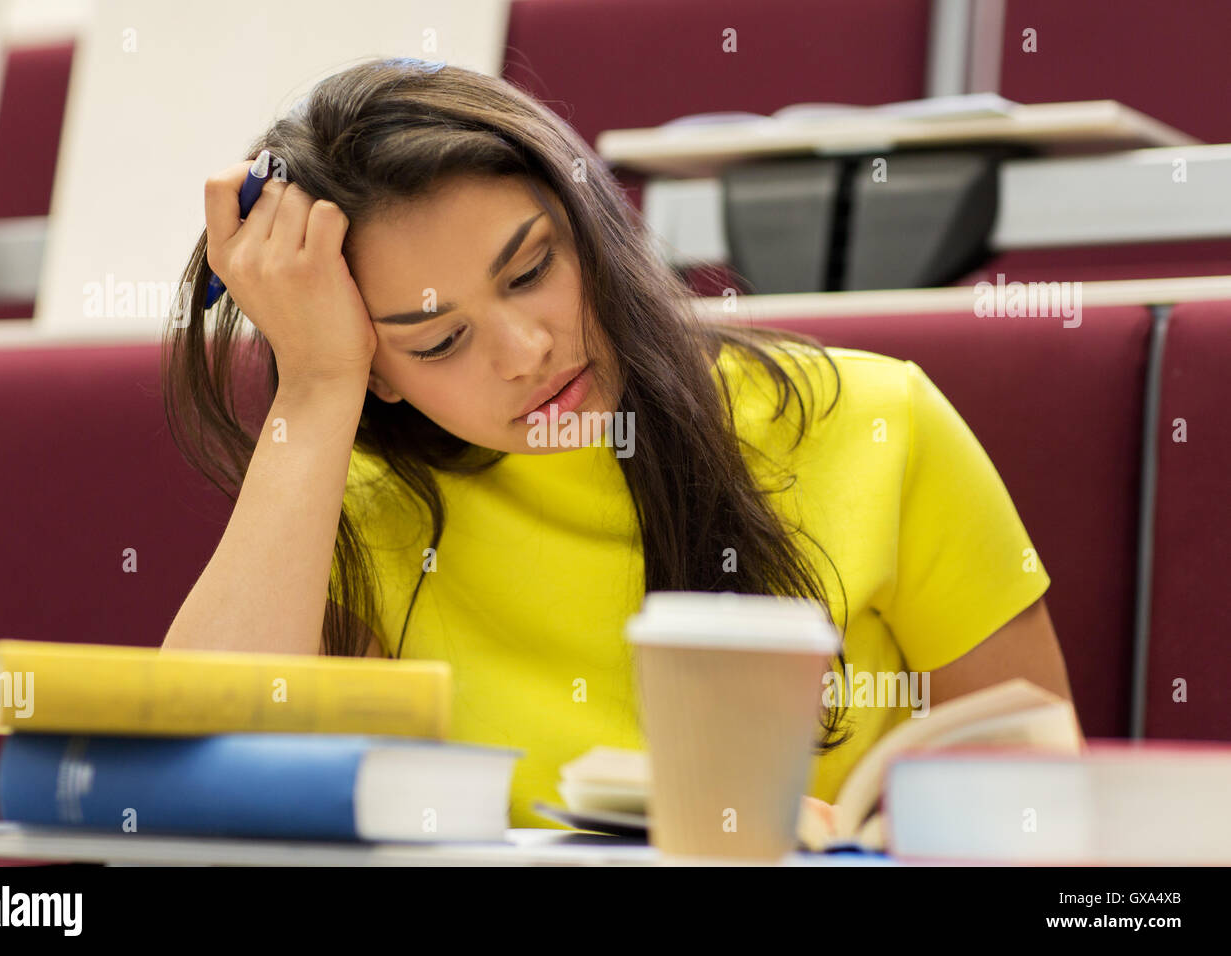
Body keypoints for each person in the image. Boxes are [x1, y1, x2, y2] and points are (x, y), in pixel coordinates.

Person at [161, 57, 1078, 829]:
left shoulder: (880, 422)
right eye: (439, 341)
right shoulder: (355, 509)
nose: (527, 355)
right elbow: (181, 785)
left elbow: (1041, 799)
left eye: (531, 270)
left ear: (591, 228)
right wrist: (319, 388)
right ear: (379, 369)